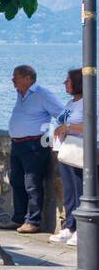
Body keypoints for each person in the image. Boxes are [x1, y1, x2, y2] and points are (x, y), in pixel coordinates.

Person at [8, 64, 66, 234]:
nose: (12, 80)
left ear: (28, 78)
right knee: (17, 182)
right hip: (18, 144)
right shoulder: (21, 94)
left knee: (32, 183)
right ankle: (19, 218)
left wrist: (60, 129)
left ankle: (33, 221)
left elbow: (62, 114)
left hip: (34, 145)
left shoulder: (42, 94)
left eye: (16, 76)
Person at [52, 68, 85, 245]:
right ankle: (70, 227)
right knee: (69, 191)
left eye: (68, 80)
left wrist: (68, 128)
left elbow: (91, 127)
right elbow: (61, 122)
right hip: (65, 151)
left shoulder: (89, 103)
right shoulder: (71, 103)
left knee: (80, 191)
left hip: (79, 152)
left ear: (78, 82)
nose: (65, 83)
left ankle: (81, 230)